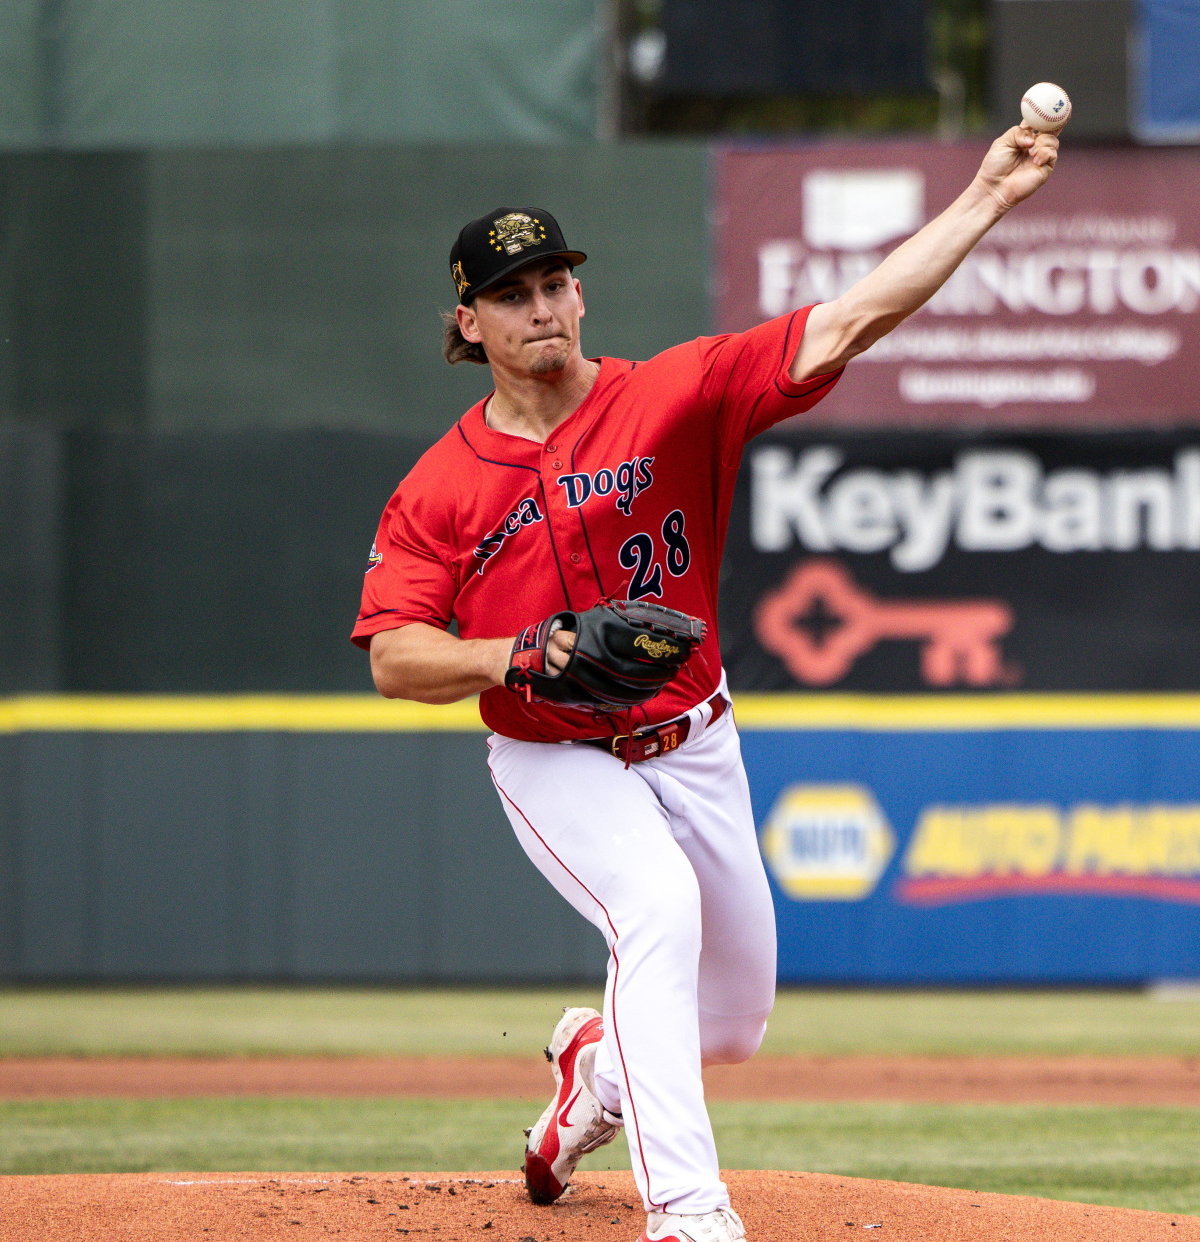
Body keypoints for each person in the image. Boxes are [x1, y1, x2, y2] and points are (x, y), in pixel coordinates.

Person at [352, 123, 1060, 1242]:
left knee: (726, 1027)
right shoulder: (439, 488)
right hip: (554, 752)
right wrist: (515, 654)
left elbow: (852, 317)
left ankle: (591, 1072)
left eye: (555, 281)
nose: (542, 305)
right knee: (656, 913)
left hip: (697, 738)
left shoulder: (676, 393)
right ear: (467, 322)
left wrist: (987, 196)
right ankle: (688, 1212)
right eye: (511, 292)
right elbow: (395, 654)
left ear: (580, 296)